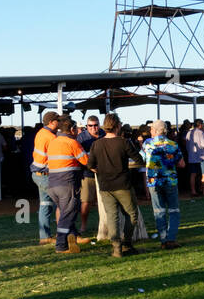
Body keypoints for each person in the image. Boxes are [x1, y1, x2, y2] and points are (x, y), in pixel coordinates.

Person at [85, 113, 139, 257]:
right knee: (132, 214)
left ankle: (116, 247)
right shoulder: (123, 142)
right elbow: (139, 159)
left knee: (112, 216)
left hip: (105, 185)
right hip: (123, 184)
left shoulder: (97, 144)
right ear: (117, 125)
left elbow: (90, 165)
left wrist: (102, 170)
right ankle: (127, 243)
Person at [43, 115, 88, 253]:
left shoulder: (53, 142)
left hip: (52, 185)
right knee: (67, 215)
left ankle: (72, 237)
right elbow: (87, 161)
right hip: (67, 184)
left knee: (65, 212)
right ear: (72, 129)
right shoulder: (72, 143)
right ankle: (61, 246)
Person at [143, 119, 183, 249]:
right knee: (174, 210)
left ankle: (163, 240)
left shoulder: (147, 144)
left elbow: (142, 157)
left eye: (151, 129)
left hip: (154, 181)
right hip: (170, 180)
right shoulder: (173, 145)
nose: (150, 131)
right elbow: (182, 163)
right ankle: (171, 239)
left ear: (154, 130)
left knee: (158, 211)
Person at [29, 110, 60, 244]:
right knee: (62, 203)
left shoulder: (41, 133)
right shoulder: (51, 137)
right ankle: (65, 234)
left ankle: (45, 237)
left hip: (38, 174)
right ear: (51, 122)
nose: (59, 123)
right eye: (57, 120)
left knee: (45, 205)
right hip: (45, 175)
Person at [186, 119, 204, 196]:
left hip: (192, 156)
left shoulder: (189, 132)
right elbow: (203, 145)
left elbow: (187, 145)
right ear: (200, 125)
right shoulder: (201, 133)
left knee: (193, 174)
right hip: (202, 157)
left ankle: (193, 191)